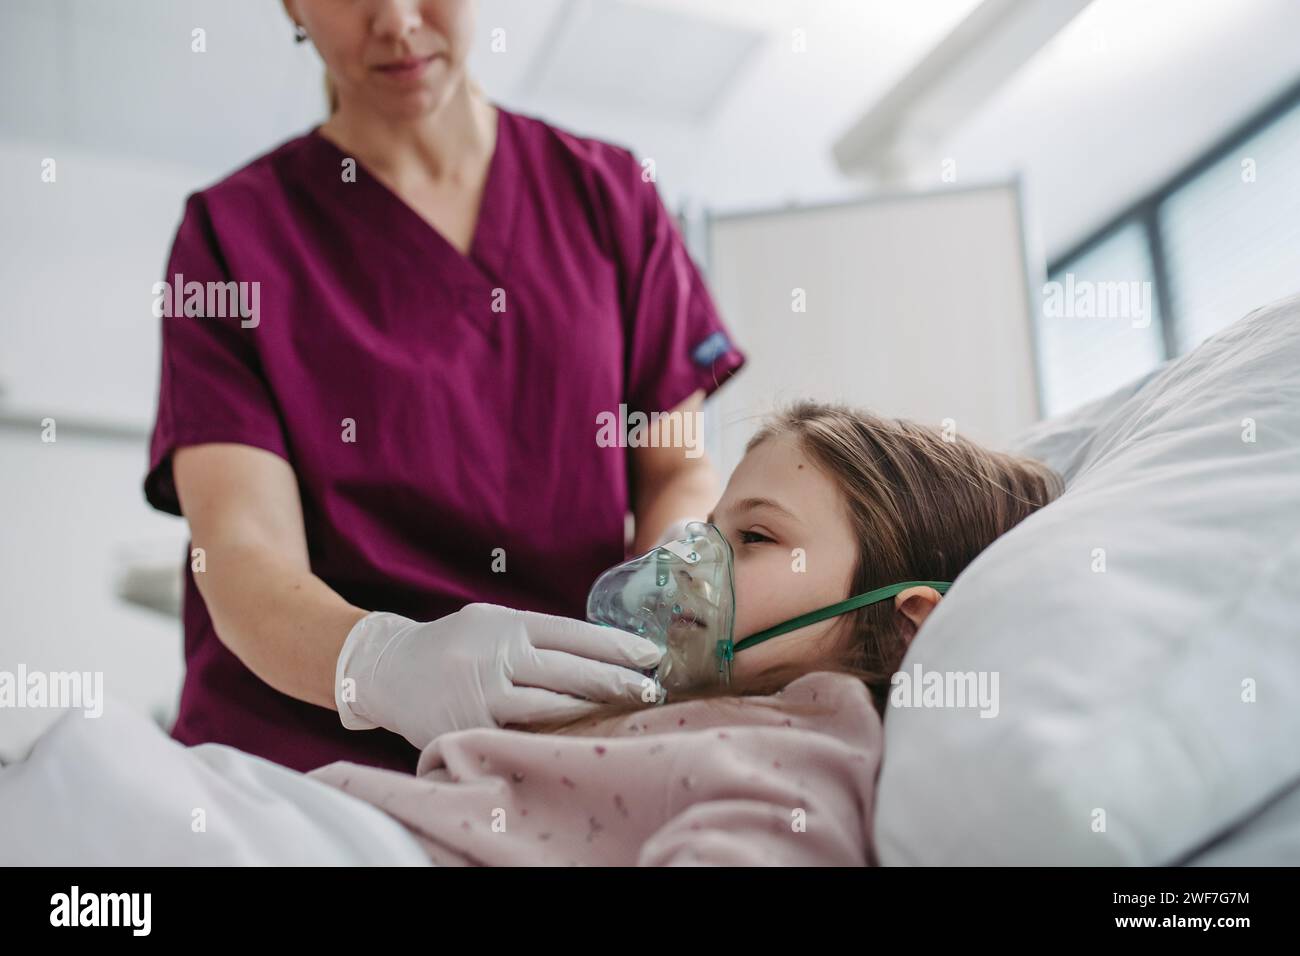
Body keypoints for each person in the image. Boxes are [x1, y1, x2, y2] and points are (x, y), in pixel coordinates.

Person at [143, 0, 744, 773]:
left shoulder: (611, 197)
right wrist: (382, 665)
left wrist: (660, 595)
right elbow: (239, 550)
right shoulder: (230, 238)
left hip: (559, 736)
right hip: (299, 763)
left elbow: (676, 468)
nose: (394, 22)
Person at [306, 401, 1067, 865]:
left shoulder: (803, 746)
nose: (685, 559)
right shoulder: (667, 702)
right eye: (705, 529)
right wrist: (378, 661)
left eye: (756, 537)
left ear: (909, 627)